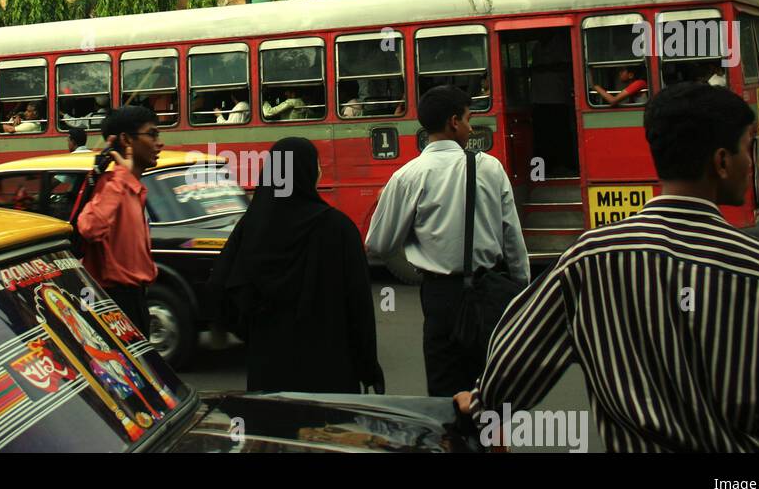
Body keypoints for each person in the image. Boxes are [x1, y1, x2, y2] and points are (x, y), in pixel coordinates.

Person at [455, 83, 759, 452]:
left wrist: (479, 403)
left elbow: (511, 370)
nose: (751, 163)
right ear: (720, 162)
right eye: (747, 151)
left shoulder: (589, 259)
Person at [366, 85, 528, 397]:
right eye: (469, 119)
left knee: (445, 400)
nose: (471, 127)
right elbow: (513, 243)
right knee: (493, 398)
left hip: (441, 298)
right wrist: (520, 291)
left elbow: (379, 244)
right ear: (454, 122)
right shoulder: (490, 167)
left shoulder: (408, 176)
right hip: (491, 293)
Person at [209, 138, 385, 394]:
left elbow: (220, 288)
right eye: (317, 165)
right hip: (331, 371)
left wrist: (256, 334)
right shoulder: (339, 228)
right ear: (307, 172)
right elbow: (359, 308)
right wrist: (368, 369)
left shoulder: (251, 227)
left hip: (270, 373)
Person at [76, 106, 162, 335]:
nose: (159, 142)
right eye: (151, 134)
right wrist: (121, 177)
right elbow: (89, 227)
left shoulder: (134, 188)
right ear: (126, 140)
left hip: (137, 299)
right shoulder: (111, 185)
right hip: (115, 303)